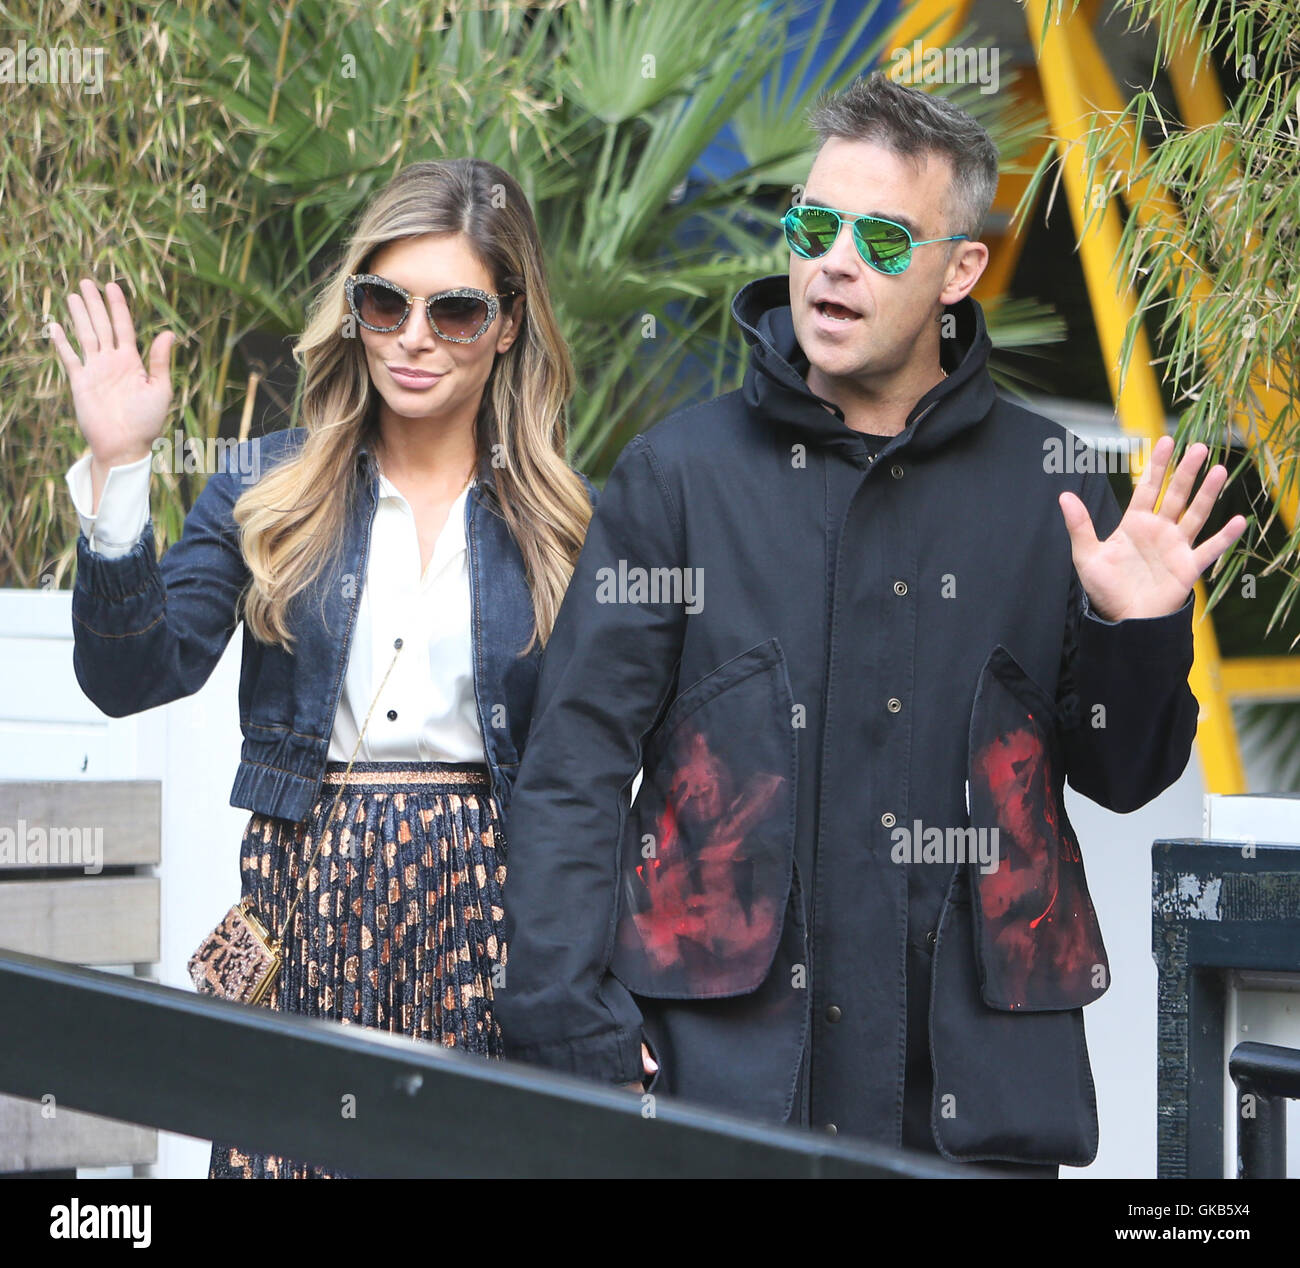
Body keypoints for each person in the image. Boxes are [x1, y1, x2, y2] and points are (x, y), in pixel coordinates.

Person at [494, 72, 1247, 1174]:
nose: (835, 262)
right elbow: (575, 761)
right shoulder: (678, 478)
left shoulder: (1057, 488)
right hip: (726, 1091)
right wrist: (570, 1024)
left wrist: (1135, 628)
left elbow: (1122, 772)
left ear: (960, 270)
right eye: (813, 225)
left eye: (884, 241)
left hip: (973, 1105)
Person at [54, 158, 594, 1178]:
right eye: (383, 303)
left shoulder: (564, 521)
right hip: (309, 895)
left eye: (456, 311)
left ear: (510, 322)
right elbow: (132, 676)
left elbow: (605, 772)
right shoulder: (268, 484)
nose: (414, 337)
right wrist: (122, 468)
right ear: (354, 312)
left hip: (489, 910)